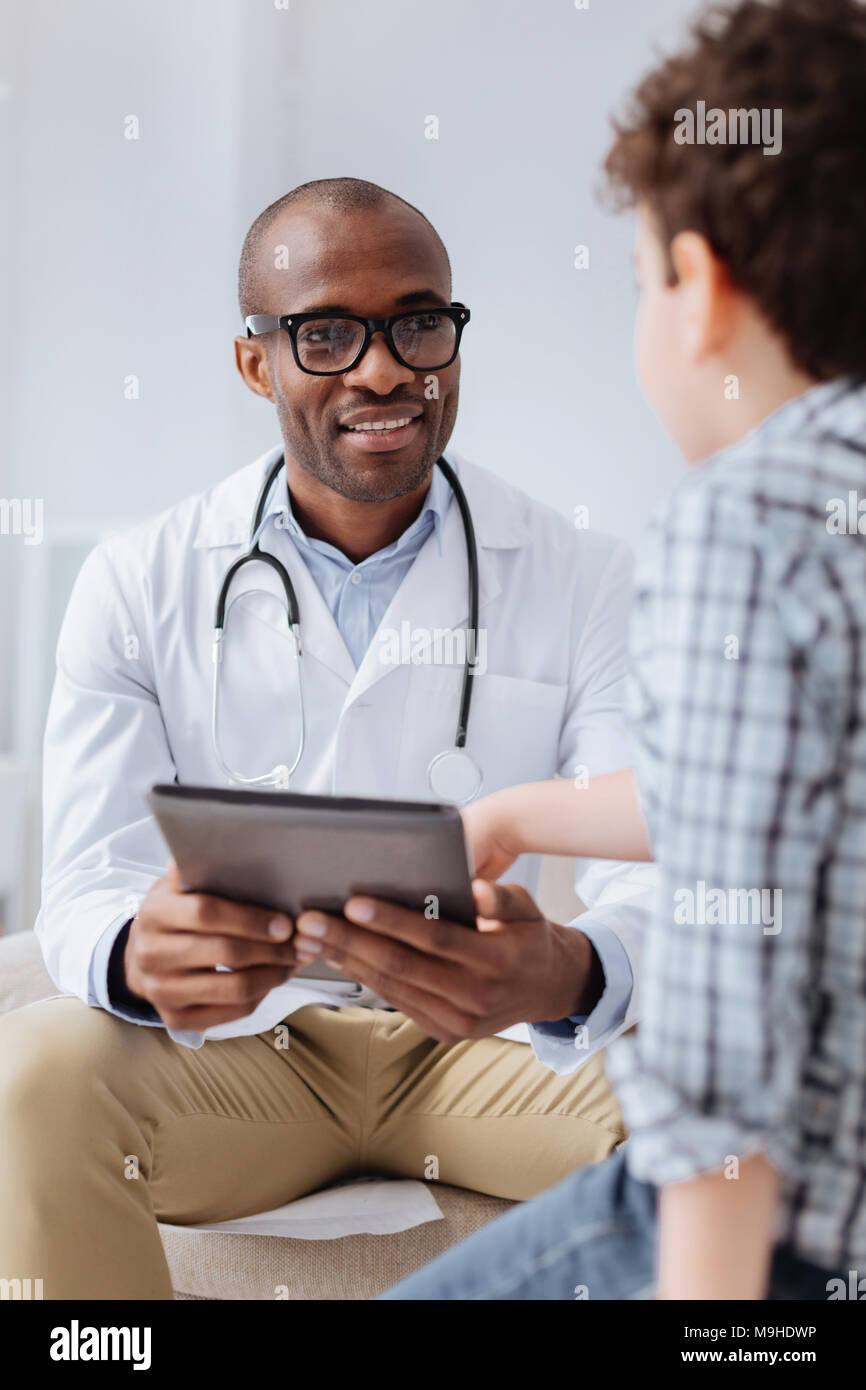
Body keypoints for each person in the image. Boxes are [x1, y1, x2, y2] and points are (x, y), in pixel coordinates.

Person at [0, 177, 653, 1299]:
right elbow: (90, 875)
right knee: (33, 1073)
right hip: (244, 1053)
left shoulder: (581, 575)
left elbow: (660, 853)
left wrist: (567, 966)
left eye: (417, 322)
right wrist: (134, 956)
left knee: (744, 1089)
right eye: (326, 333)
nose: (385, 367)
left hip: (484, 1046)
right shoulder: (139, 580)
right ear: (257, 361)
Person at [382, 0, 866, 1300]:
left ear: (697, 289)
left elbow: (730, 1023)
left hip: (773, 1238)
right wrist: (517, 811)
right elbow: (791, 797)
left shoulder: (747, 521)